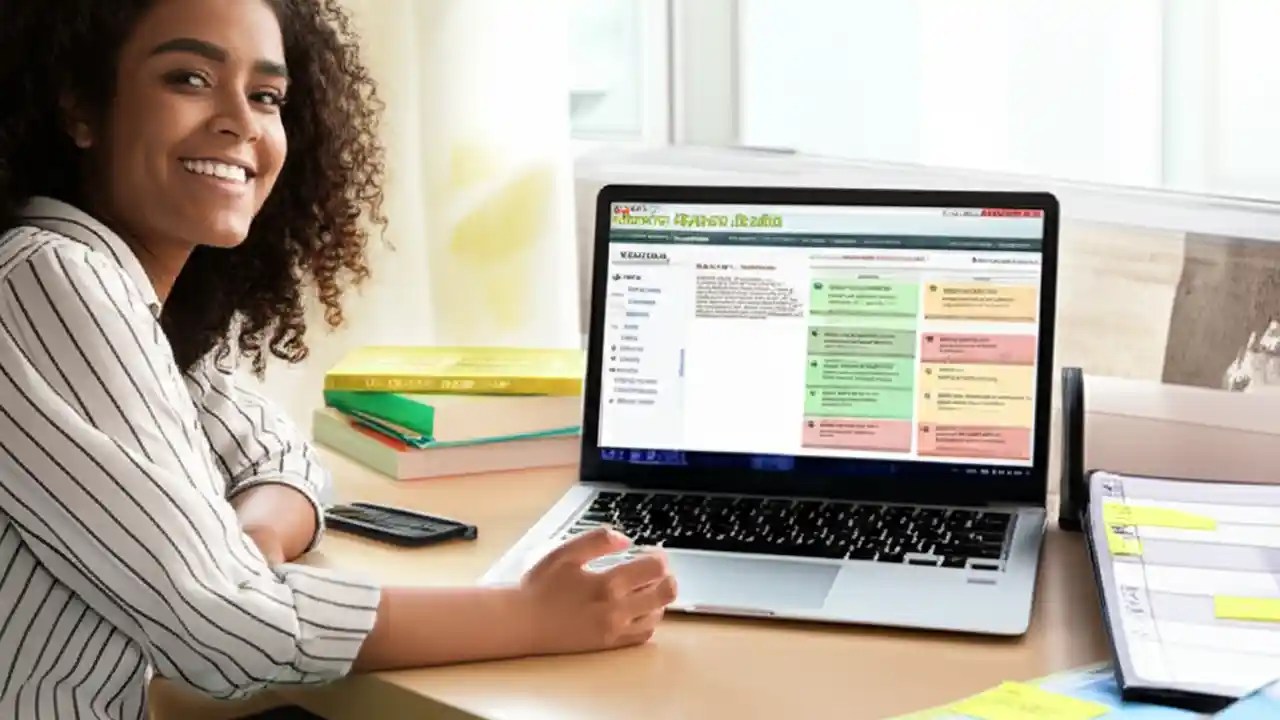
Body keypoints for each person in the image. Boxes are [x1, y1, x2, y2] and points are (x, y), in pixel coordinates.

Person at [0, 1, 677, 718]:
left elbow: (280, 459)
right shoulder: (48, 280)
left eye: (266, 96)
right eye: (190, 78)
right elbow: (226, 629)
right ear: (79, 107)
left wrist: (251, 539)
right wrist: (532, 615)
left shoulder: (147, 301)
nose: (241, 122)